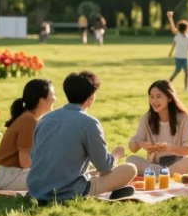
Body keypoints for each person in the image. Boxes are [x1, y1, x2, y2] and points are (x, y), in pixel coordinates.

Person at [27, 71, 137, 202]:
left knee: (92, 172)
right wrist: (116, 155)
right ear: (91, 96)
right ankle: (111, 188)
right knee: (130, 169)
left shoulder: (45, 119)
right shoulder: (89, 123)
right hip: (67, 192)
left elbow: (33, 157)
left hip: (36, 189)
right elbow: (105, 167)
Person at [126, 80, 188, 175]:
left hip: (177, 163)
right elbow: (133, 148)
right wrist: (141, 144)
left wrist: (170, 148)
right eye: (151, 97)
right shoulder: (147, 118)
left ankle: (159, 174)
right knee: (131, 160)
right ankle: (163, 174)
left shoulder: (183, 118)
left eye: (158, 97)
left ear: (169, 98)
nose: (154, 101)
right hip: (156, 164)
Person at [0, 79, 56, 191]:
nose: (55, 99)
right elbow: (25, 162)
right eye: (52, 94)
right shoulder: (28, 120)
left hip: (14, 174)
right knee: (61, 177)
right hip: (11, 178)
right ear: (41, 100)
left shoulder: (31, 118)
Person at [166, 11, 188, 92]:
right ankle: (170, 84)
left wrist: (170, 17)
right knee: (183, 72)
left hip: (182, 57)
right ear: (186, 29)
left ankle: (184, 87)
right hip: (182, 57)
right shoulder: (184, 37)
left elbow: (173, 31)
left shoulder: (181, 36)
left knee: (183, 72)